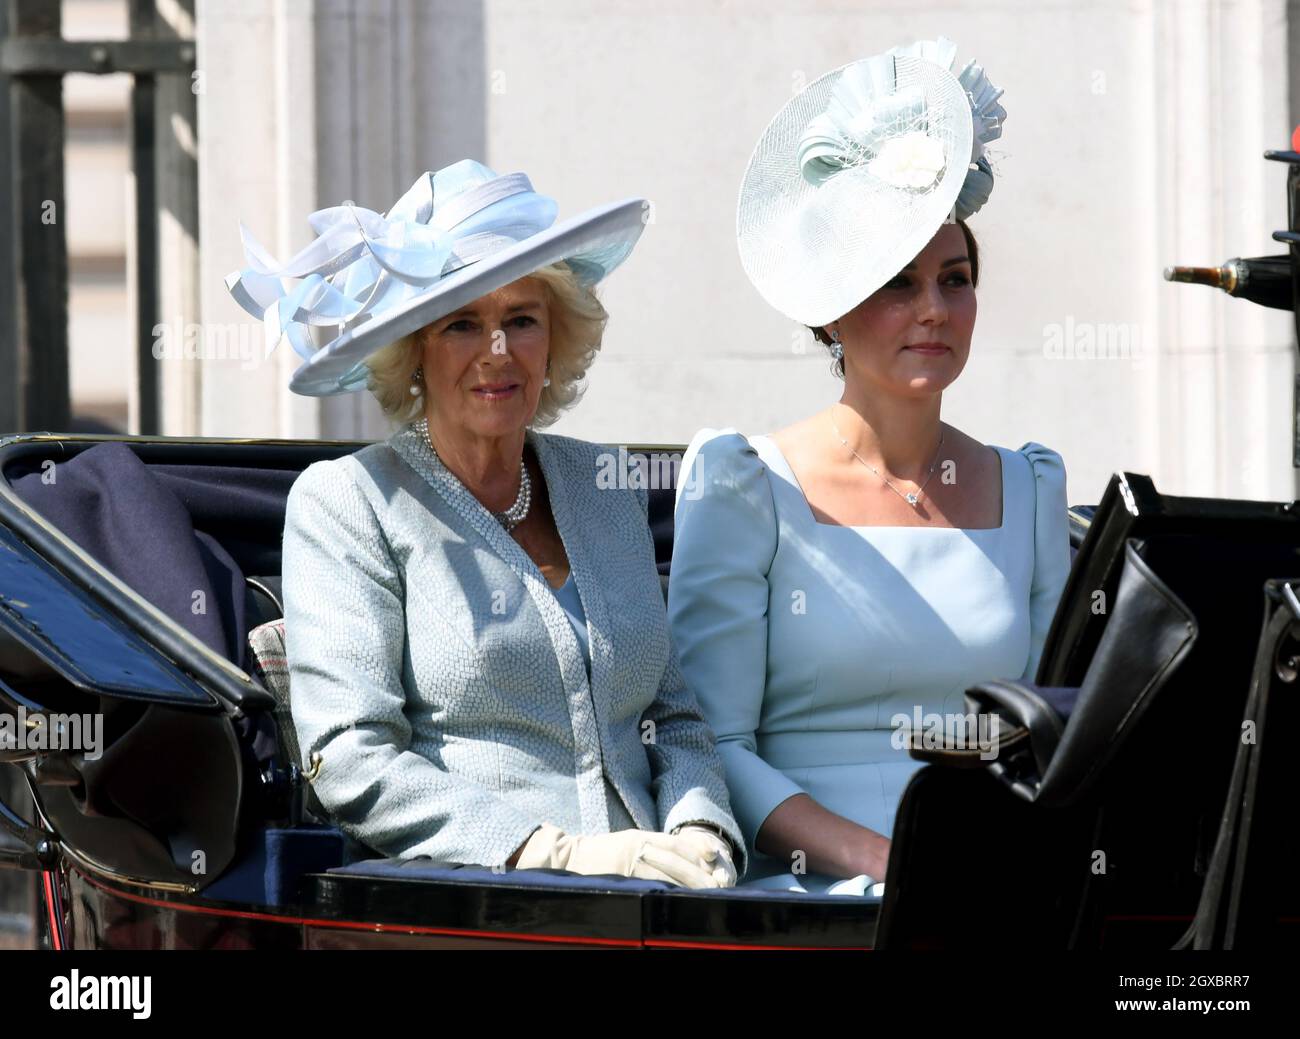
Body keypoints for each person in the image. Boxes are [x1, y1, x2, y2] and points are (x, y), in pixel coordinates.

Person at [227, 159, 743, 888]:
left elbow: (675, 718)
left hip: (661, 904)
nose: (496, 352)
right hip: (473, 905)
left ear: (555, 336)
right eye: (462, 323)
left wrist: (699, 828)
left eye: (520, 320)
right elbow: (350, 758)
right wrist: (550, 853)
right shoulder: (349, 502)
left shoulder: (606, 489)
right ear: (414, 353)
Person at [668, 38, 1070, 894]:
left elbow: (1054, 729)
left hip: (987, 894)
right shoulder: (744, 482)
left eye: (953, 279)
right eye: (898, 281)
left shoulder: (1033, 489)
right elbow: (710, 744)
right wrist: (880, 860)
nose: (934, 309)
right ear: (830, 311)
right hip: (805, 903)